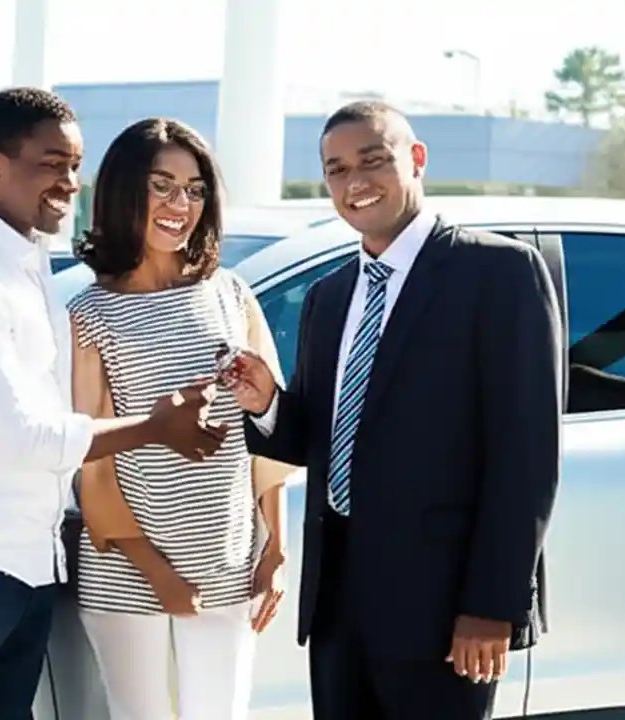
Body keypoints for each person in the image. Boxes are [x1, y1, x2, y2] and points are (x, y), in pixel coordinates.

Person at [0, 89, 231, 720]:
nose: (69, 182)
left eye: (74, 165)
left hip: (22, 561)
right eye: (51, 164)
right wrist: (156, 427)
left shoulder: (20, 258)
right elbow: (25, 435)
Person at [229, 101, 563, 719]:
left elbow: (526, 457)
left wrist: (491, 606)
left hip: (445, 613)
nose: (355, 181)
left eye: (372, 160)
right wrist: (269, 403)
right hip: (339, 608)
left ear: (417, 159)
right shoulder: (329, 297)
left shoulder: (499, 273)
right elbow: (321, 441)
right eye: (336, 169)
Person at [66, 117, 291, 720]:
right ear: (123, 191)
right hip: (126, 575)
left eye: (194, 190)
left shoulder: (231, 293)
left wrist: (275, 552)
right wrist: (159, 576)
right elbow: (92, 464)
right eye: (161, 186)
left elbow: (268, 433)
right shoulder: (89, 315)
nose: (180, 205)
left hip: (229, 566)